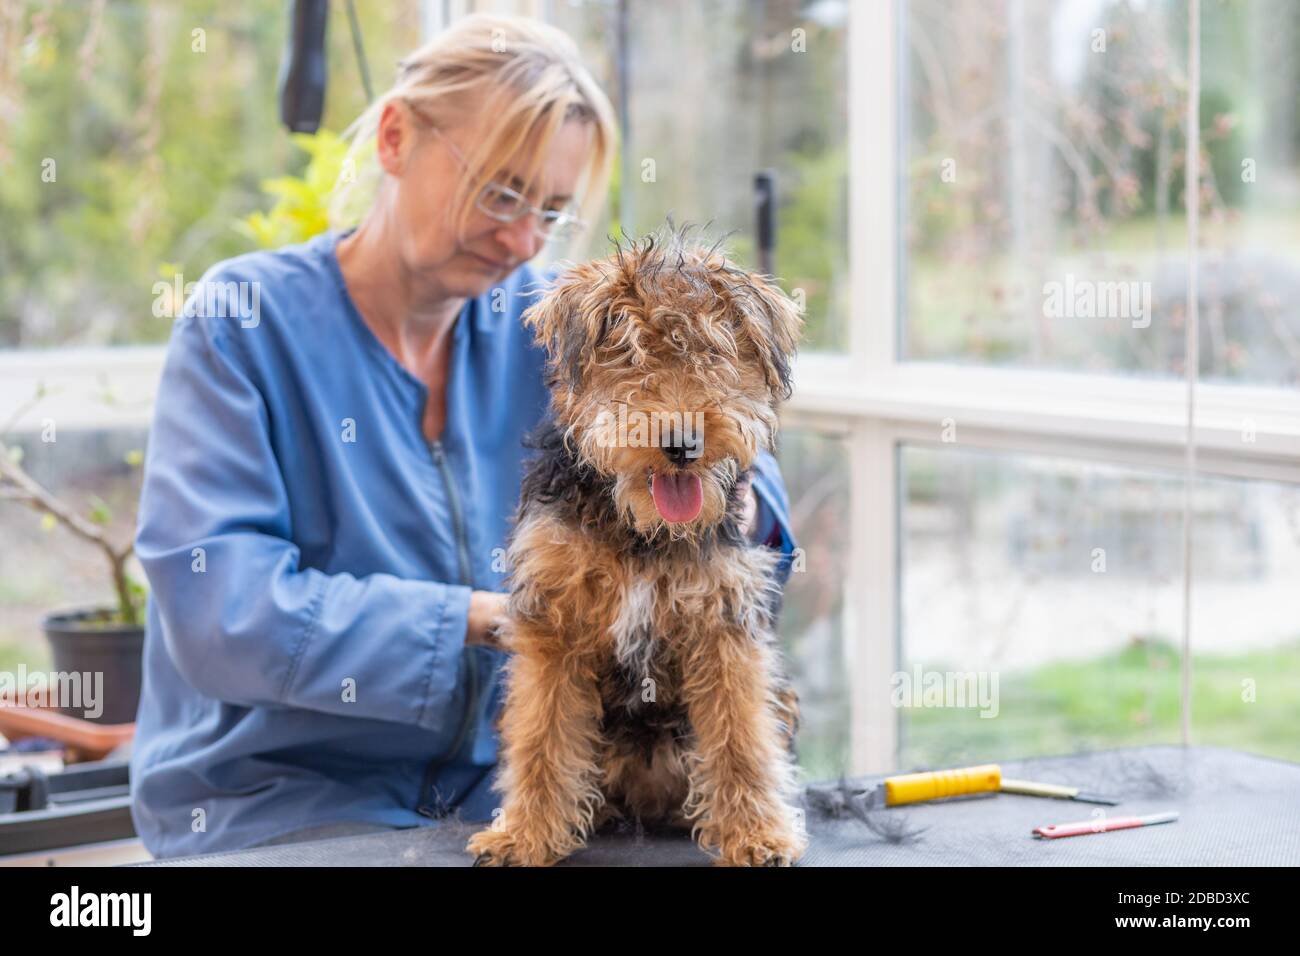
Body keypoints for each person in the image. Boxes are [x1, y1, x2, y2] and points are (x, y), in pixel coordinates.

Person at [129, 12, 799, 859]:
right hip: (279, 801)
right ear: (397, 137)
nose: (522, 241)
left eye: (552, 213)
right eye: (502, 192)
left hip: (502, 801)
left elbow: (746, 513)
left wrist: (733, 500)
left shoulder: (552, 329)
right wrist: (495, 619)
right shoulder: (245, 326)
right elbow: (222, 610)